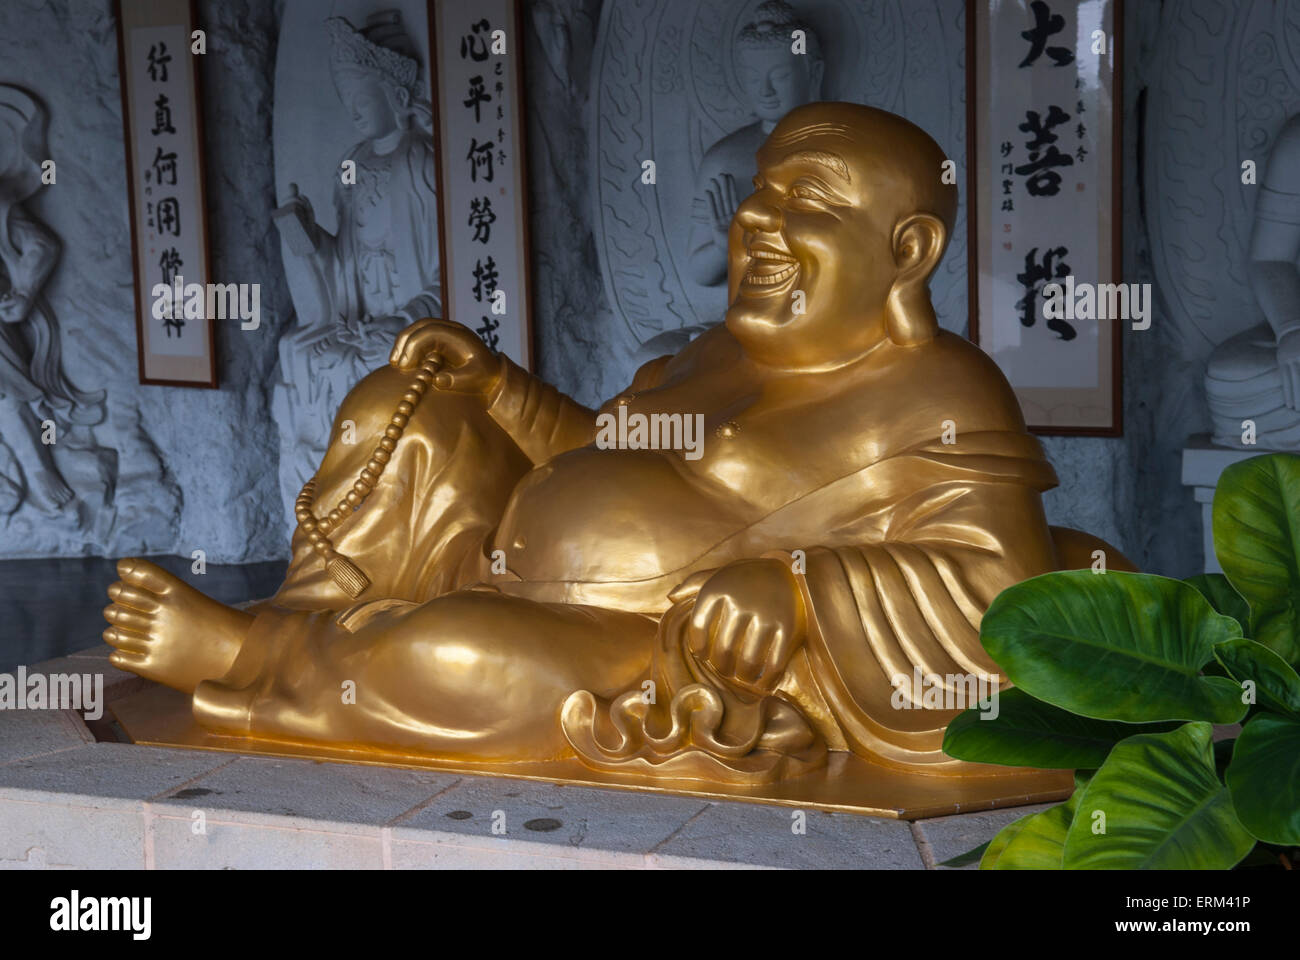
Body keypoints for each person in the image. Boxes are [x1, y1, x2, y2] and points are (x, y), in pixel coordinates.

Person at [105, 103, 1127, 784]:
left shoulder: (934, 388)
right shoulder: (713, 353)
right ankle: (313, 620)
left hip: (655, 644)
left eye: (806, 202)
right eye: (759, 194)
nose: (759, 223)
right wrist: (497, 390)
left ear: (908, 251)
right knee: (404, 408)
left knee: (464, 652)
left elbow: (997, 595)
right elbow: (604, 458)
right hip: (514, 566)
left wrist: (801, 588)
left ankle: (260, 657)